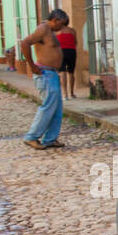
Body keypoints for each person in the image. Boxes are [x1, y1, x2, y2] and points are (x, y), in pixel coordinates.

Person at [20, 9, 70, 149]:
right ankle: (32, 137)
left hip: (52, 74)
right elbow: (25, 43)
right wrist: (31, 65)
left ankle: (50, 138)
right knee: (48, 107)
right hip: (45, 73)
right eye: (61, 23)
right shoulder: (43, 29)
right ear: (55, 19)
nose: (62, 27)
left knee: (57, 108)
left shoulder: (50, 31)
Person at [56, 20, 78, 98]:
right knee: (71, 72)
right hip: (72, 51)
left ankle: (65, 94)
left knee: (62, 72)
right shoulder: (72, 31)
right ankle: (72, 93)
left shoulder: (58, 31)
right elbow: (76, 42)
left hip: (61, 51)